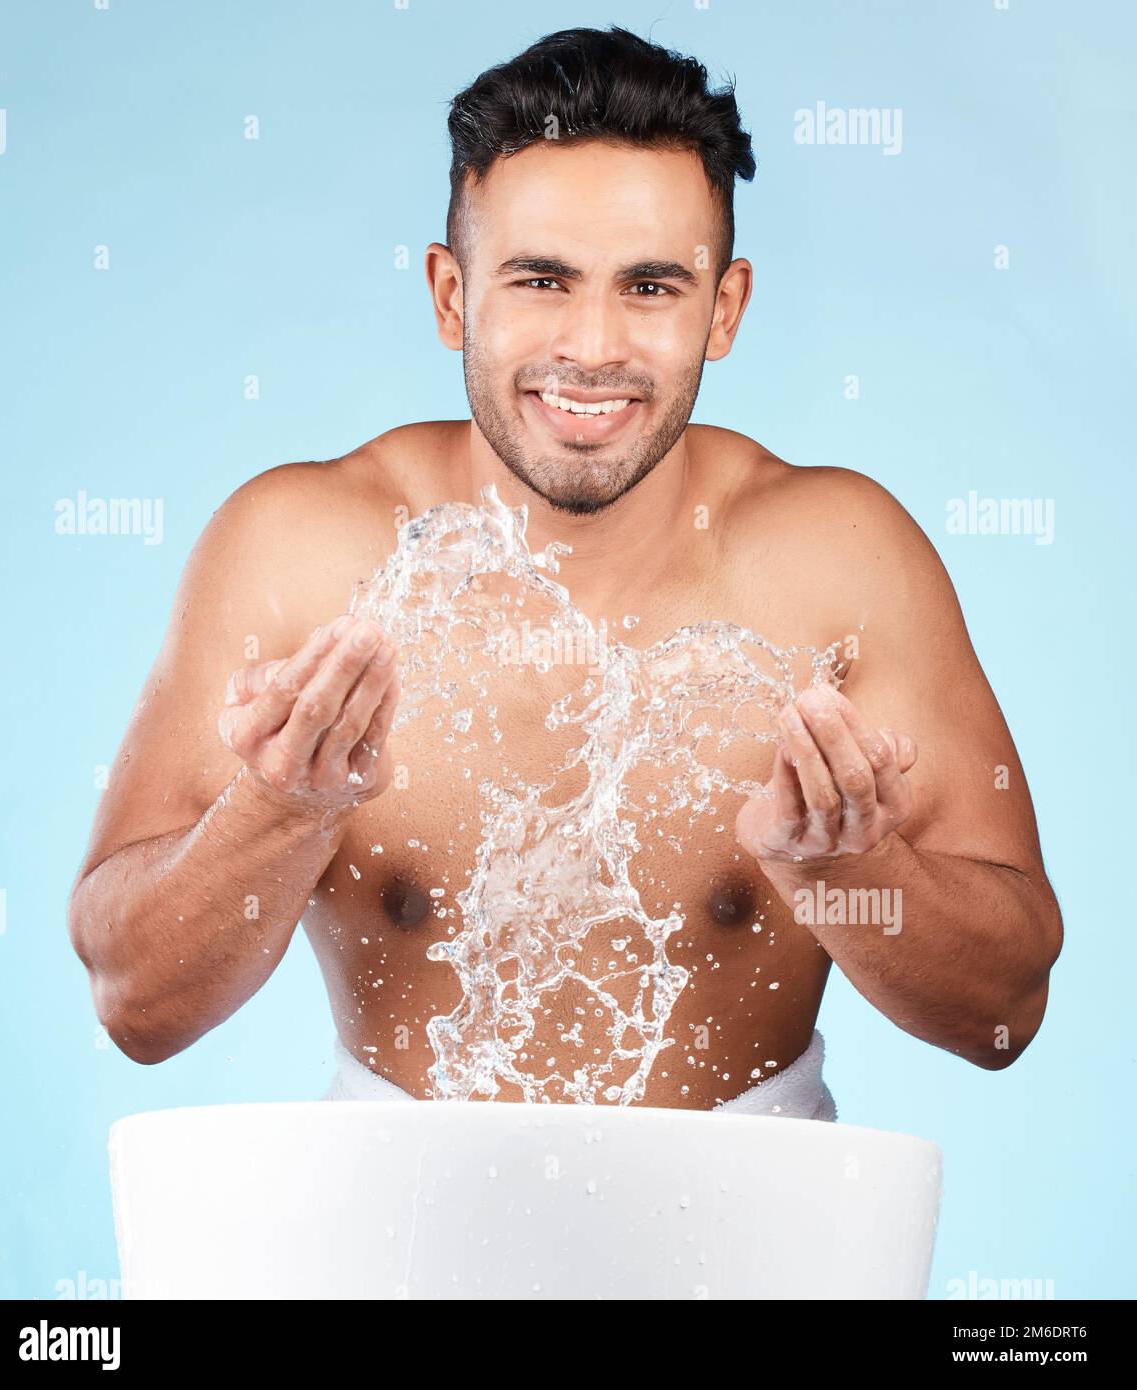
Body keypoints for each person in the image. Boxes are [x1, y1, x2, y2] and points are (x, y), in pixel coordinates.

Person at [68, 26, 1061, 1113]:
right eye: (542, 279)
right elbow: (135, 1004)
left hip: (758, 1243)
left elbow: (1005, 1011)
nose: (593, 346)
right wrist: (277, 812)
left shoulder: (841, 560)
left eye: (649, 287)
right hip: (391, 1242)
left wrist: (847, 873)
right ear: (451, 295)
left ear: (722, 309)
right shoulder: (298, 552)